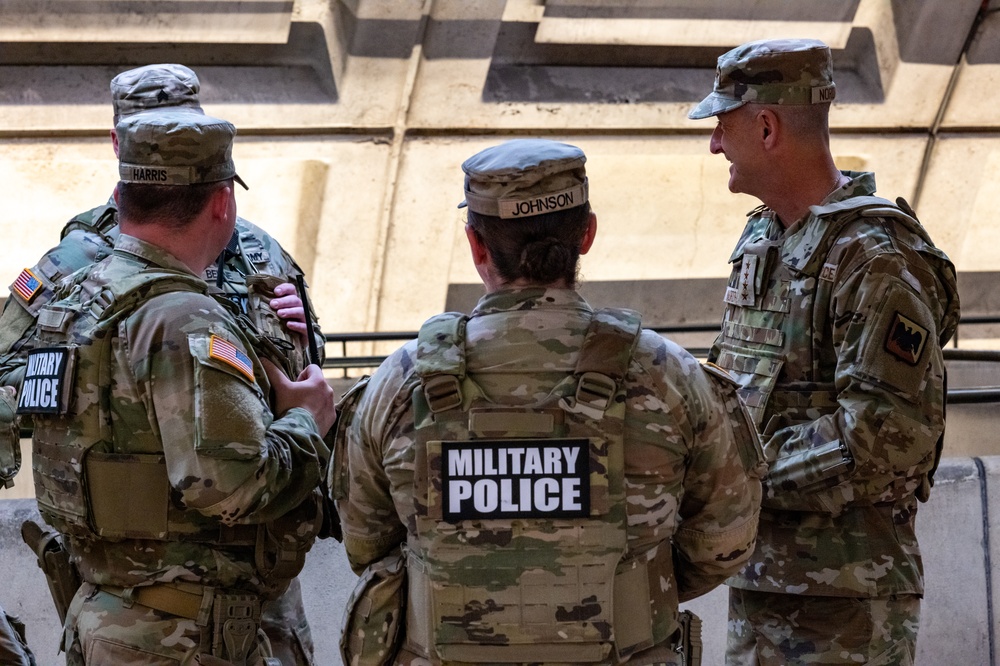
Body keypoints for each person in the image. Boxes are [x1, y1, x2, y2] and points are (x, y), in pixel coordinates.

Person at [333, 138, 765, 665]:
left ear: (476, 245)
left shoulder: (398, 382)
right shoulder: (668, 374)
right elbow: (724, 539)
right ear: (587, 234)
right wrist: (623, 591)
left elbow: (365, 542)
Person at [0, 64, 323, 665]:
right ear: (119, 144)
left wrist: (294, 332)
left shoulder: (253, 245)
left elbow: (298, 372)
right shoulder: (77, 255)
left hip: (260, 578)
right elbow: (12, 371)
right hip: (158, 573)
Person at [688, 39, 961, 665]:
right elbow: (730, 389)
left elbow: (887, 438)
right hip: (763, 585)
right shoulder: (763, 239)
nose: (713, 145)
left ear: (765, 126)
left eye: (721, 125)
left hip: (847, 605)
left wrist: (742, 475)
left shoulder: (872, 259)